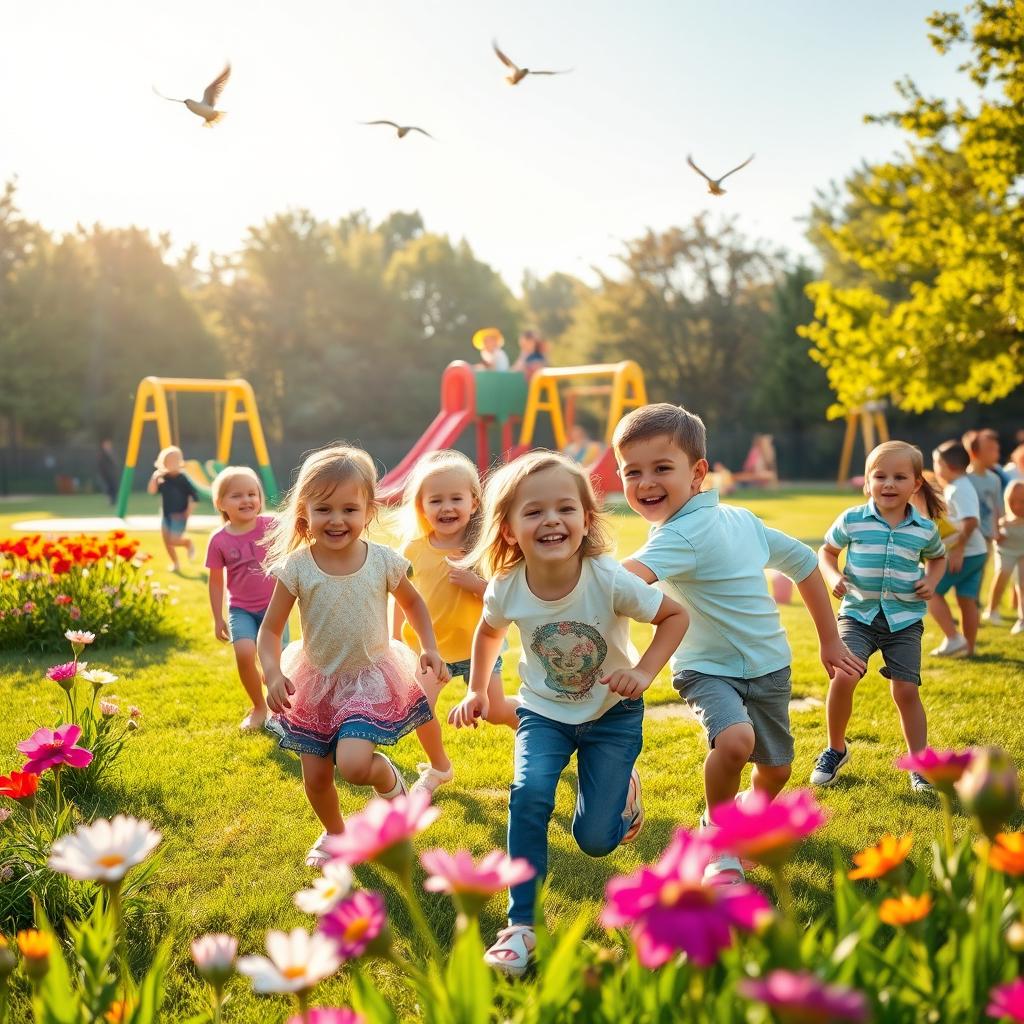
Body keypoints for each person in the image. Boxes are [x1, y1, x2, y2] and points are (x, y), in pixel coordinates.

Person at [448, 451, 688, 976]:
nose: (551, 520)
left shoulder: (607, 579)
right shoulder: (506, 588)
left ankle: (621, 788)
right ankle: (522, 926)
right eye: (533, 512)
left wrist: (644, 673)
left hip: (612, 715)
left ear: (586, 519)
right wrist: (476, 691)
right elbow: (488, 631)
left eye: (565, 508)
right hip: (543, 714)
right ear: (509, 530)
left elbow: (674, 615)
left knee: (597, 841)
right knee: (529, 794)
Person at [612, 404, 864, 883]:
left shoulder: (739, 521)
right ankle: (719, 843)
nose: (645, 483)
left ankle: (742, 816)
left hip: (769, 667)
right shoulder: (680, 534)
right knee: (734, 741)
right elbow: (623, 583)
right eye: (633, 472)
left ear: (698, 472)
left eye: (661, 468)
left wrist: (830, 641)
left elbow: (806, 565)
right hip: (706, 668)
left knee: (776, 771)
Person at [256, 445, 448, 867]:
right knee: (318, 777)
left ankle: (387, 778)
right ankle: (336, 835)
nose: (338, 520)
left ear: (369, 511)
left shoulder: (382, 561)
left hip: (368, 677)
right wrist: (271, 673)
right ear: (304, 511)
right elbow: (270, 630)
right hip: (314, 680)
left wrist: (429, 647)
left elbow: (414, 604)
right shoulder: (297, 568)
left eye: (349, 509)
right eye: (324, 509)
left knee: (355, 765)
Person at [811, 442, 947, 791]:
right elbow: (826, 553)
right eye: (880, 476)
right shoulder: (853, 520)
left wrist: (931, 581)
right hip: (858, 615)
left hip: (904, 621)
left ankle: (919, 762)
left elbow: (938, 558)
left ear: (916, 484)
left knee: (905, 690)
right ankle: (835, 748)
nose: (888, 484)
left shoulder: (924, 529)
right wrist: (833, 576)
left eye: (899, 477)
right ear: (867, 482)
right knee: (844, 676)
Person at [394, 450, 519, 798]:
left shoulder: (483, 547)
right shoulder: (413, 549)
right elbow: (401, 596)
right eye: (436, 500)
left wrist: (477, 584)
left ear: (475, 503)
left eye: (456, 499)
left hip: (480, 645)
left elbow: (508, 595)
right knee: (420, 708)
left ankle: (539, 727)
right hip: (432, 650)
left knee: (494, 712)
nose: (446, 507)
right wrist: (393, 637)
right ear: (422, 506)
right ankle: (439, 768)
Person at [206, 466, 289, 732]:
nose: (247, 500)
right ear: (220, 504)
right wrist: (218, 617)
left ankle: (284, 712)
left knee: (277, 661)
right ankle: (258, 708)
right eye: (237, 495)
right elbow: (216, 581)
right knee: (244, 653)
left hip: (274, 608)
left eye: (252, 493)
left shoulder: (271, 526)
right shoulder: (218, 540)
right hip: (240, 609)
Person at [927, 440, 987, 658]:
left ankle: (953, 639)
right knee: (966, 599)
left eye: (936, 463)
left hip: (966, 554)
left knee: (930, 591)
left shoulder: (959, 488)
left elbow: (971, 521)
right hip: (976, 552)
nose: (935, 468)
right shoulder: (958, 486)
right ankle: (968, 648)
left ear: (947, 466)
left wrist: (958, 550)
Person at [147, 445, 199, 572]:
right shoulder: (163, 478)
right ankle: (175, 563)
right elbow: (152, 491)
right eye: (168, 462)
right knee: (167, 541)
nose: (171, 464)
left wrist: (188, 512)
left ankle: (187, 543)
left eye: (175, 461)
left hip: (179, 515)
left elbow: (195, 497)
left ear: (180, 462)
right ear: (163, 463)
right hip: (166, 514)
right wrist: (155, 477)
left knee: (174, 540)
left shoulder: (183, 478)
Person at [983, 480, 1024, 633]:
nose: (1018, 506)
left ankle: (1022, 619)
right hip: (1006, 550)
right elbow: (994, 526)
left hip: (1022, 550)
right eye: (1013, 502)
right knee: (1002, 575)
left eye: (1022, 502)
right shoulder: (1003, 520)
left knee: (1022, 581)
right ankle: (991, 610)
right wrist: (997, 533)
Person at [97, 439, 119, 505]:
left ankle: (114, 501)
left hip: (112, 474)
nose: (108, 446)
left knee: (114, 488)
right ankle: (110, 501)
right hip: (105, 475)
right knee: (108, 488)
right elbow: (101, 465)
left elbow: (115, 463)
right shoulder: (101, 455)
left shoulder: (112, 453)